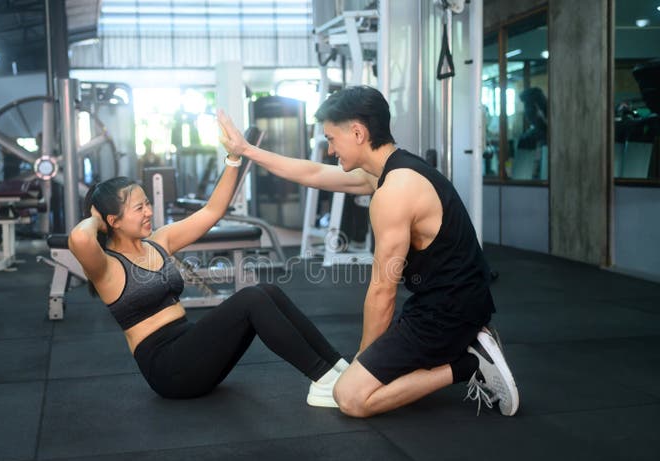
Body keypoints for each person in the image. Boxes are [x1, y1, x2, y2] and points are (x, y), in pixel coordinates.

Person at [217, 86, 519, 418]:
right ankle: (466, 349)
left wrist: (364, 362)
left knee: (351, 397)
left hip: (448, 312)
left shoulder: (394, 192)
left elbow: (382, 290)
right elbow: (312, 173)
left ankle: (469, 362)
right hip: (449, 300)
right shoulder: (395, 169)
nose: (330, 150)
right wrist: (246, 150)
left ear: (358, 132)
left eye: (332, 139)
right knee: (376, 379)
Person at [68, 120, 348, 406]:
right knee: (251, 298)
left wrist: (233, 158)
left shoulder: (158, 241)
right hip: (168, 369)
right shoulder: (106, 268)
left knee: (267, 291)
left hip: (190, 349)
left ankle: (339, 368)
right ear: (113, 221)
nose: (149, 212)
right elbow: (79, 238)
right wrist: (97, 217)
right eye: (139, 208)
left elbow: (213, 210)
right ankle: (324, 381)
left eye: (147, 204)